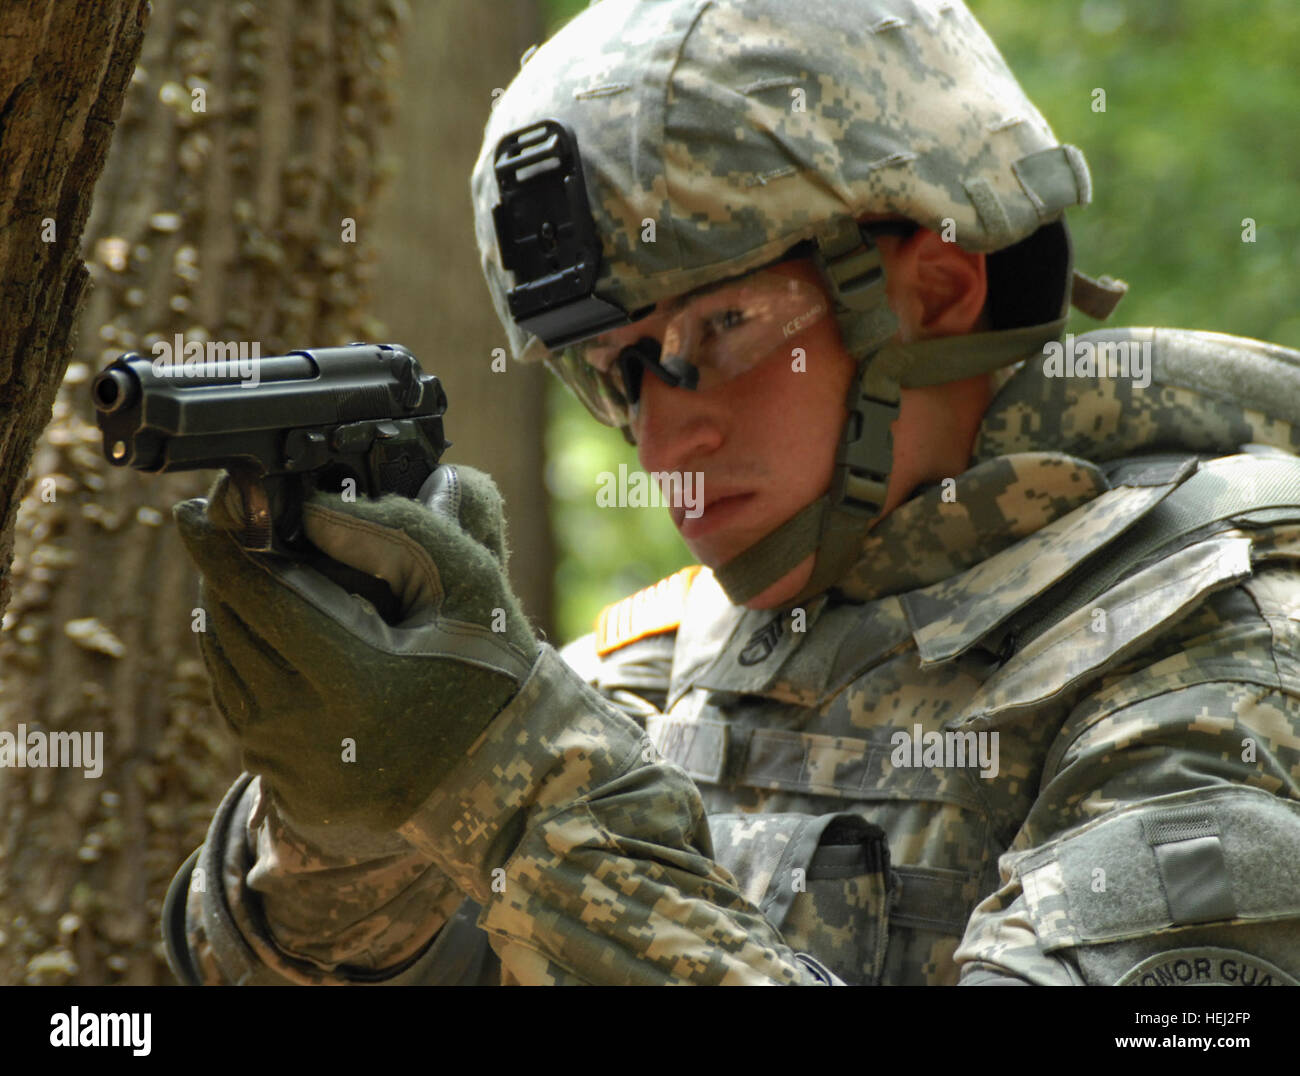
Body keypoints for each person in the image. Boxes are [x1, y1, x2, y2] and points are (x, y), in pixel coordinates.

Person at [162, 0, 1300, 986]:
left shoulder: (1226, 653)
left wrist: (513, 792)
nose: (667, 434)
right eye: (619, 368)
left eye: (723, 326)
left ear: (939, 290)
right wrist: (356, 786)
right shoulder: (682, 661)